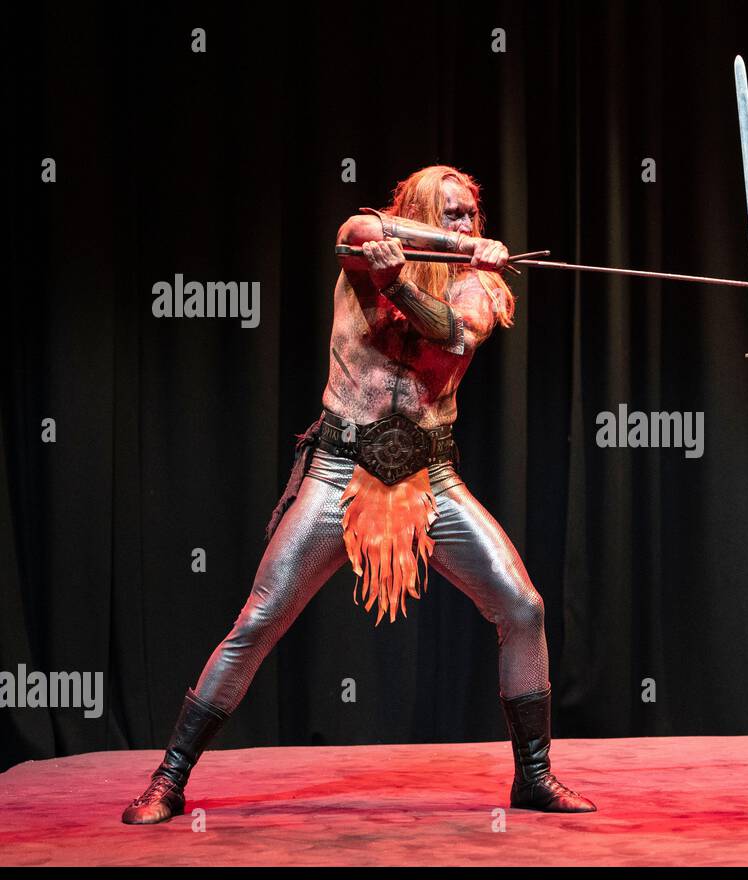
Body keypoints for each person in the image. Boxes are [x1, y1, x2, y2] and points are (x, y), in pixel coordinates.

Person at [123, 165, 595, 823]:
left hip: (430, 479)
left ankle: (534, 778)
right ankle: (168, 781)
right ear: (420, 212)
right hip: (340, 470)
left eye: (471, 218)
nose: (466, 227)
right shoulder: (365, 243)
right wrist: (405, 264)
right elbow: (356, 234)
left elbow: (451, 334)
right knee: (260, 619)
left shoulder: (479, 286)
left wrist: (418, 274)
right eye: (451, 214)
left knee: (522, 607)